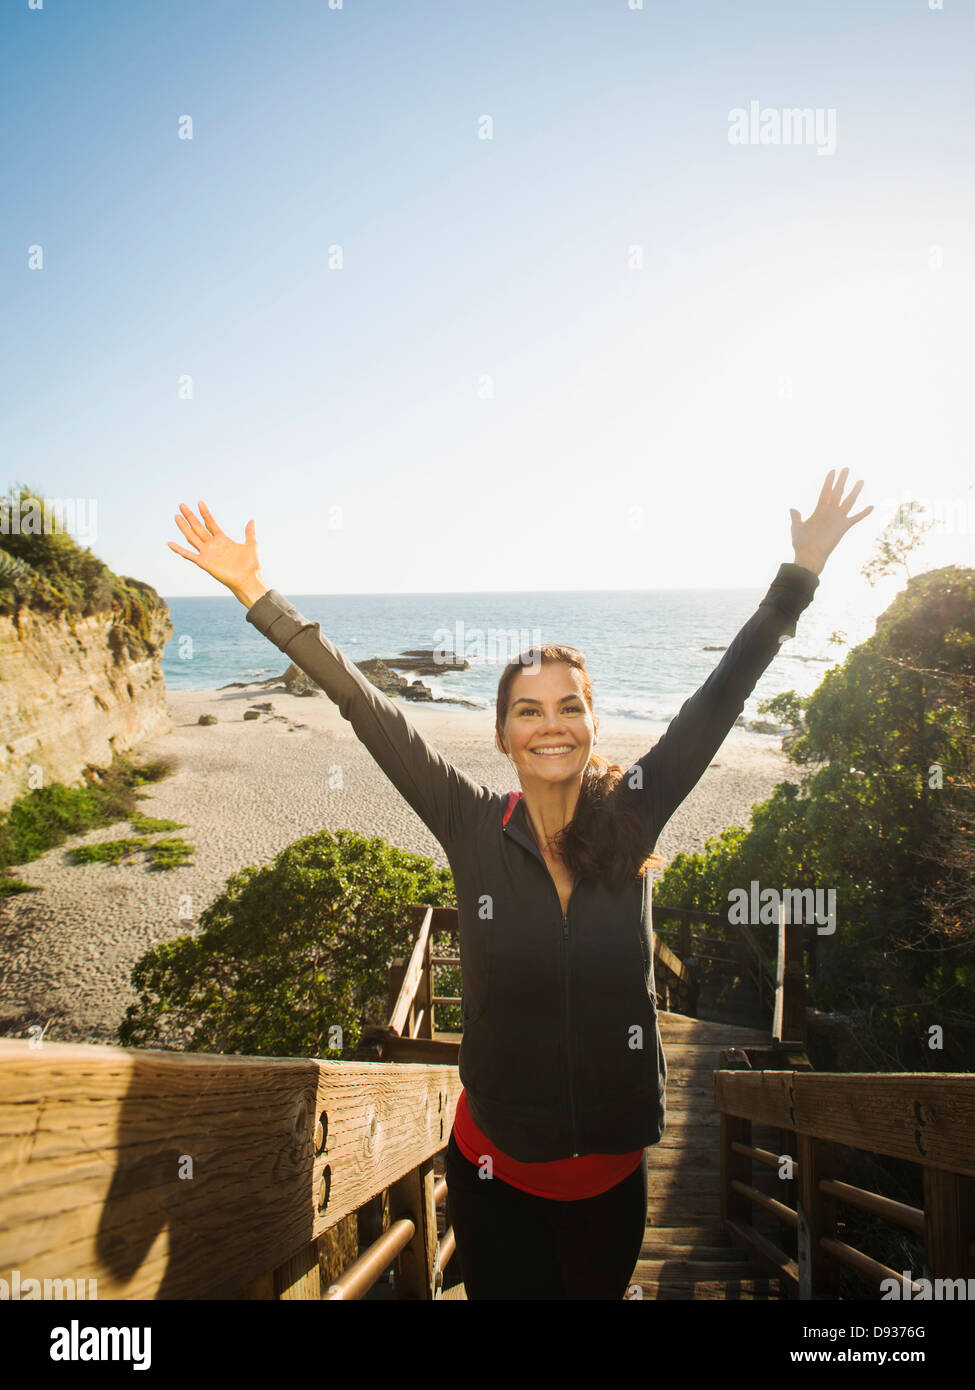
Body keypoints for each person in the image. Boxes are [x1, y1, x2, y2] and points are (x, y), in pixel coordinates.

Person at [168, 469, 872, 1299]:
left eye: (568, 707)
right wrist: (256, 591)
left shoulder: (636, 814)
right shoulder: (469, 826)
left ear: (591, 725)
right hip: (493, 1177)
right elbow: (367, 708)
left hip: (612, 1181)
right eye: (529, 710)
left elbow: (721, 695)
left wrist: (801, 574)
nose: (551, 725)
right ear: (503, 733)